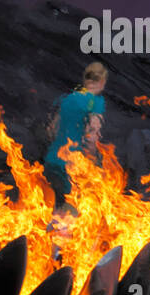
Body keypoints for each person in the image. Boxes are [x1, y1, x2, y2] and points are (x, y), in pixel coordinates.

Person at [43, 61, 107, 201]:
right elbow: (91, 135)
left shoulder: (68, 98)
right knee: (70, 215)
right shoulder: (96, 102)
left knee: (46, 210)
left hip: (50, 160)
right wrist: (95, 162)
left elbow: (51, 130)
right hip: (71, 167)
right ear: (102, 82)